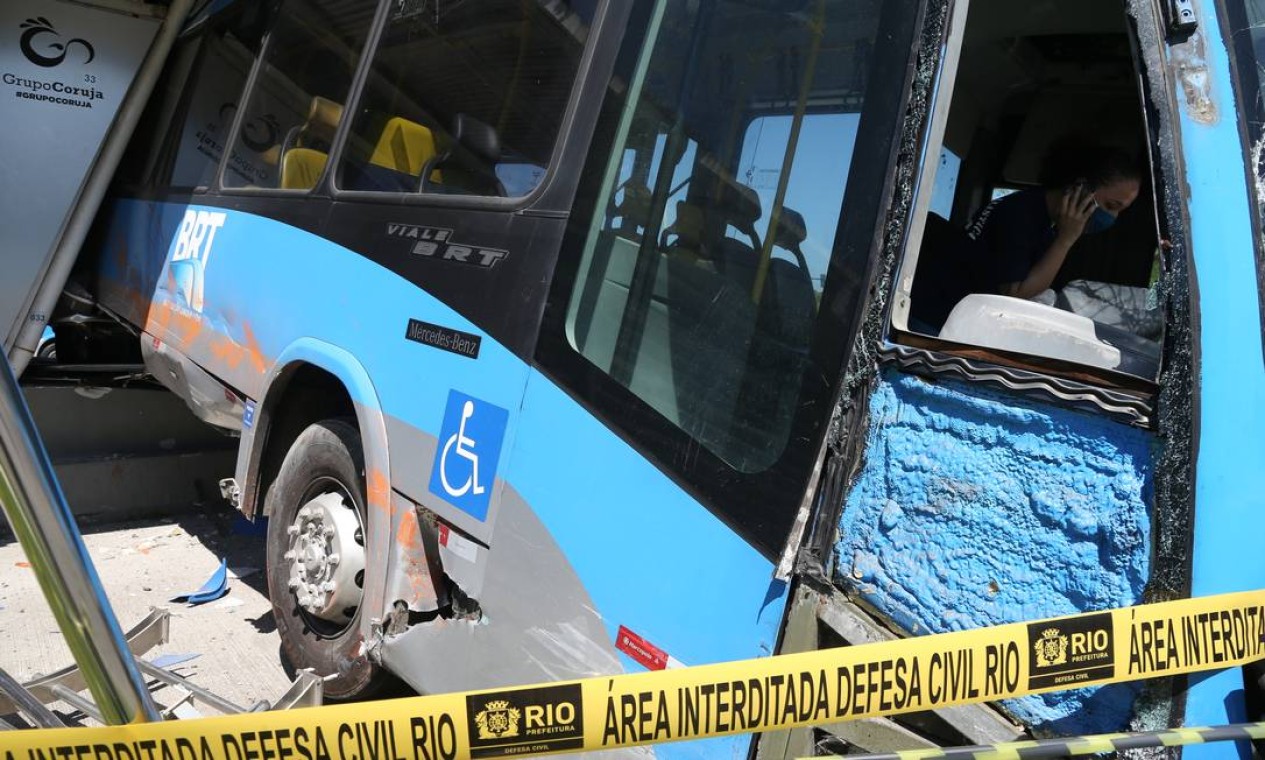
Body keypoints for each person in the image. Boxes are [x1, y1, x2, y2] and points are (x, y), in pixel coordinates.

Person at [966, 141, 1143, 300]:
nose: (1113, 217)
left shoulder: (1046, 221)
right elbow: (1014, 295)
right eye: (1111, 206)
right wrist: (1065, 241)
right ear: (1081, 186)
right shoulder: (1020, 214)